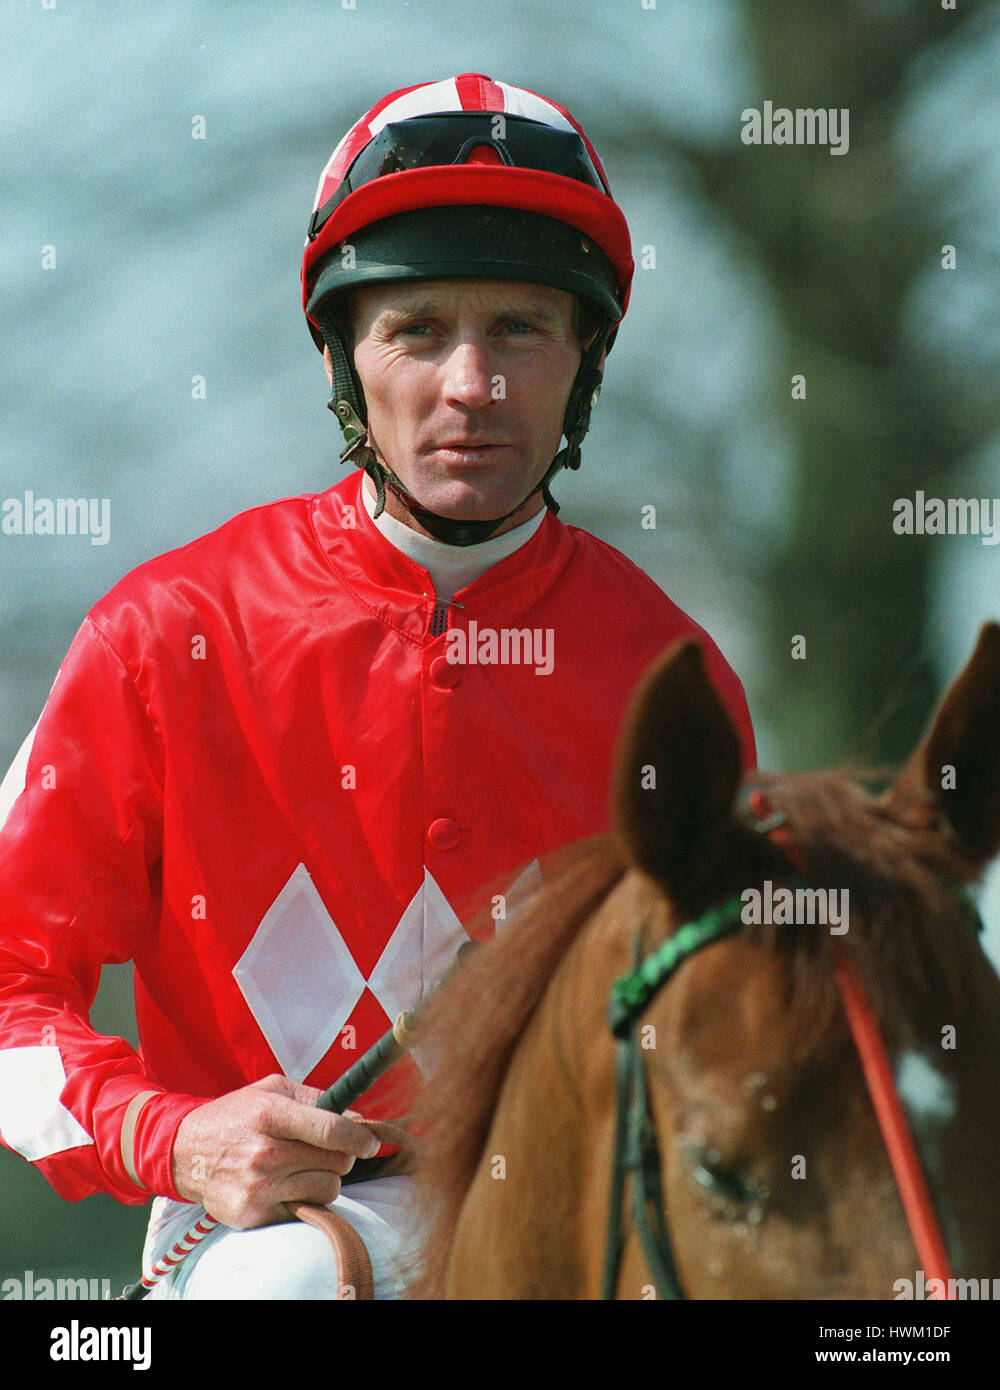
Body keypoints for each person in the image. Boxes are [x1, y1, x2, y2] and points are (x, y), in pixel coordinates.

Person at [0, 72, 755, 1299]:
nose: (472, 384)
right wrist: (171, 1134)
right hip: (269, 1233)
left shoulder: (671, 676)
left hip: (592, 1230)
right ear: (348, 359)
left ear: (585, 358)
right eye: (418, 329)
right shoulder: (164, 632)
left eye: (520, 326)